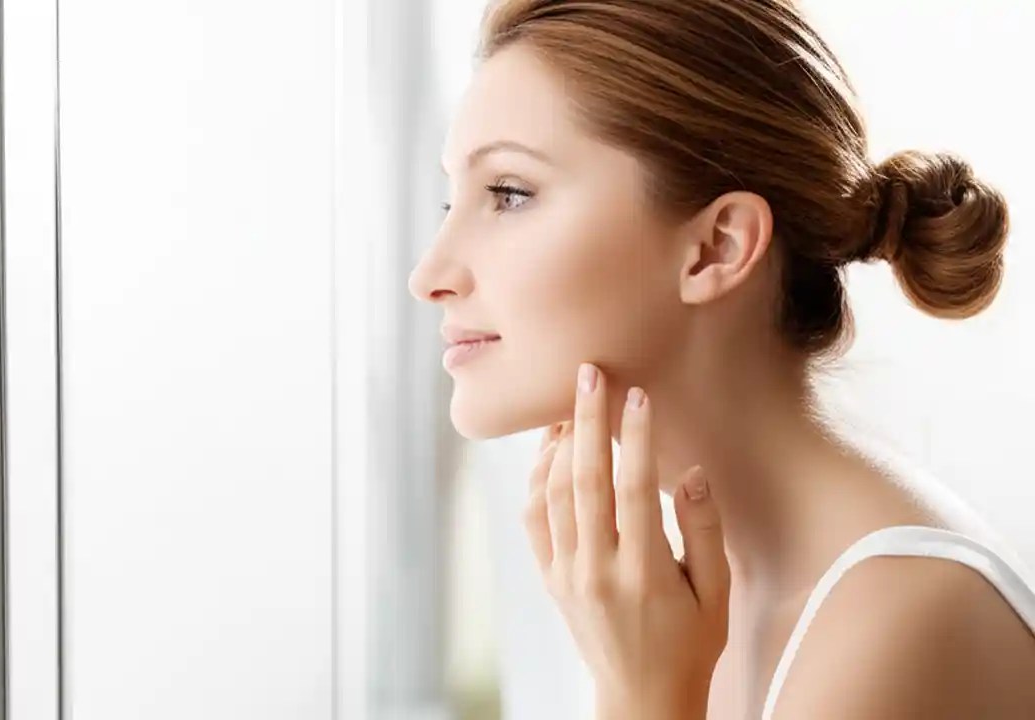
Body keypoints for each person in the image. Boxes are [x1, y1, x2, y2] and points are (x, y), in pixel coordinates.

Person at [407, 0, 1035, 717]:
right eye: (449, 203)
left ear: (718, 248)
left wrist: (644, 696)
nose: (430, 274)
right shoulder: (664, 603)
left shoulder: (896, 620)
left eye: (509, 194)